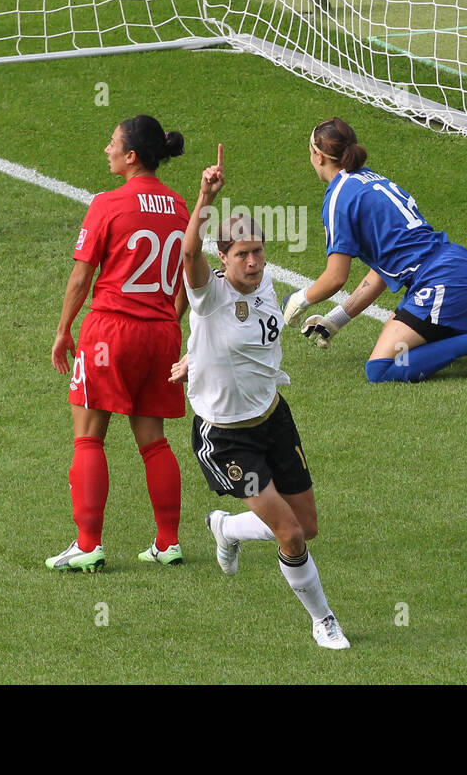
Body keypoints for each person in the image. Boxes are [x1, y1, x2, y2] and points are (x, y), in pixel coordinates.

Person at [177, 144, 349, 650]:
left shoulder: (266, 282)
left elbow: (252, 341)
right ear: (222, 258)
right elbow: (188, 256)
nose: (252, 263)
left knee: (308, 526)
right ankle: (324, 621)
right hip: (227, 437)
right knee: (290, 535)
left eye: (257, 251)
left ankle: (227, 529)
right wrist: (205, 197)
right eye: (241, 255)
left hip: (273, 416)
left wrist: (197, 358)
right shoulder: (209, 294)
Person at [282, 118, 467, 383]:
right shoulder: (369, 179)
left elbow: (335, 277)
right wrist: (335, 320)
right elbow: (381, 271)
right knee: (412, 346)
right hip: (457, 272)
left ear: (318, 156)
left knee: (381, 369)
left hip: (439, 283)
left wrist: (301, 299)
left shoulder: (339, 196)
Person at [48, 116, 190, 572]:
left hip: (112, 332)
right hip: (163, 335)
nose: (106, 149)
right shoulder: (180, 207)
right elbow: (189, 276)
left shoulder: (107, 204)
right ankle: (167, 542)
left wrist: (63, 329)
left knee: (89, 437)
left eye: (112, 143)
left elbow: (80, 276)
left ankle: (88, 545)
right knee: (154, 441)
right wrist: (169, 319)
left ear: (132, 156)